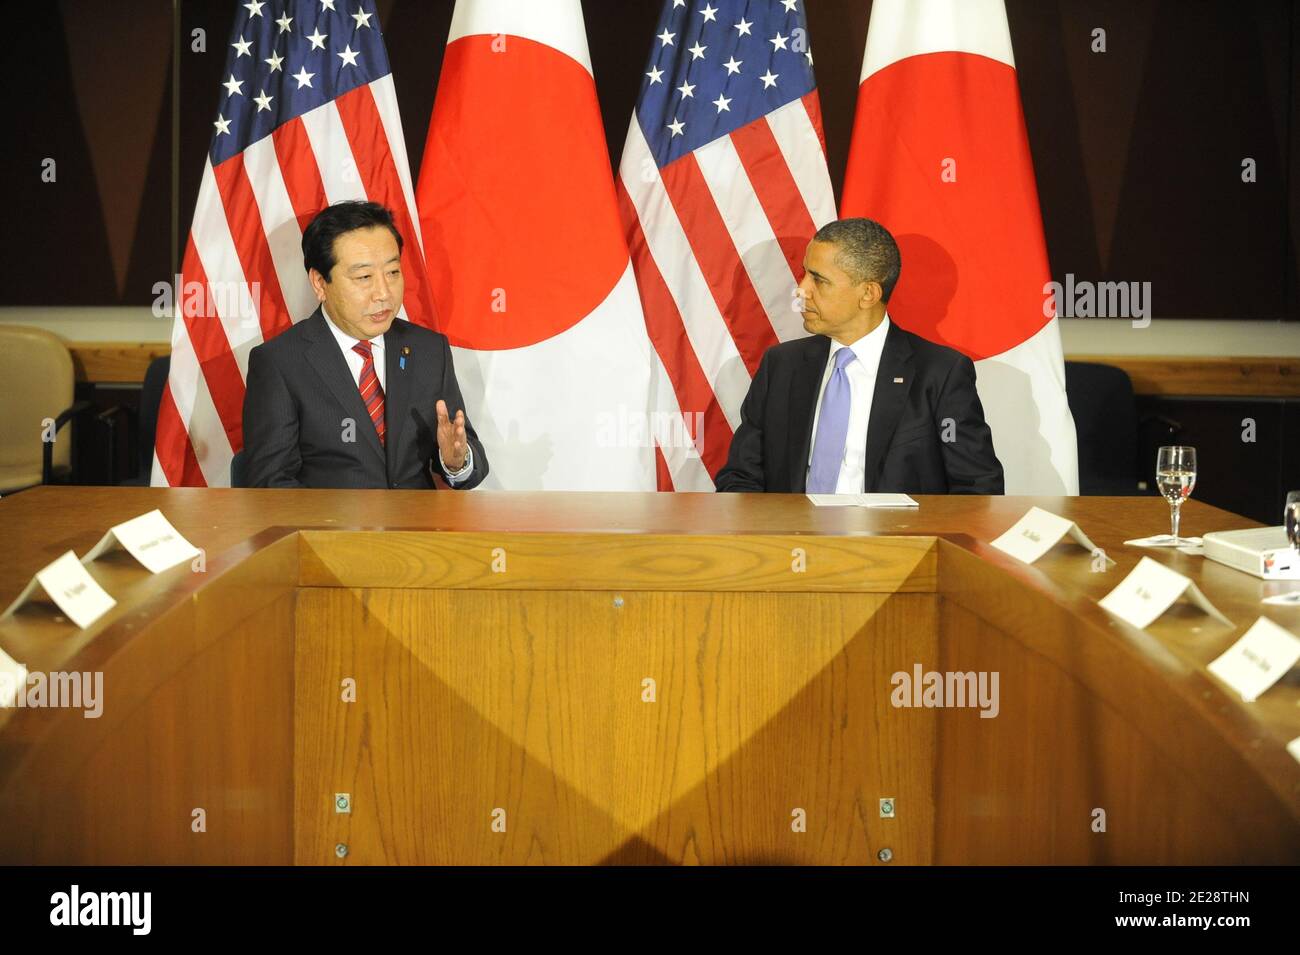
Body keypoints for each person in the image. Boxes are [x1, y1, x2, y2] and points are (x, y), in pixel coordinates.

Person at [715, 218, 1003, 495]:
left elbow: (977, 489)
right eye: (804, 274)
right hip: (790, 543)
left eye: (818, 279)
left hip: (894, 544)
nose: (801, 290)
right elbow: (740, 478)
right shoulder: (781, 366)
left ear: (868, 294)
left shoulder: (940, 374)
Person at [241, 201, 488, 489]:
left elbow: (469, 458)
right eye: (364, 277)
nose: (383, 293)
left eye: (393, 272)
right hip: (330, 532)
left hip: (416, 532)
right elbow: (270, 484)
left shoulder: (428, 350)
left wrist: (457, 461)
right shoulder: (280, 363)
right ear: (320, 283)